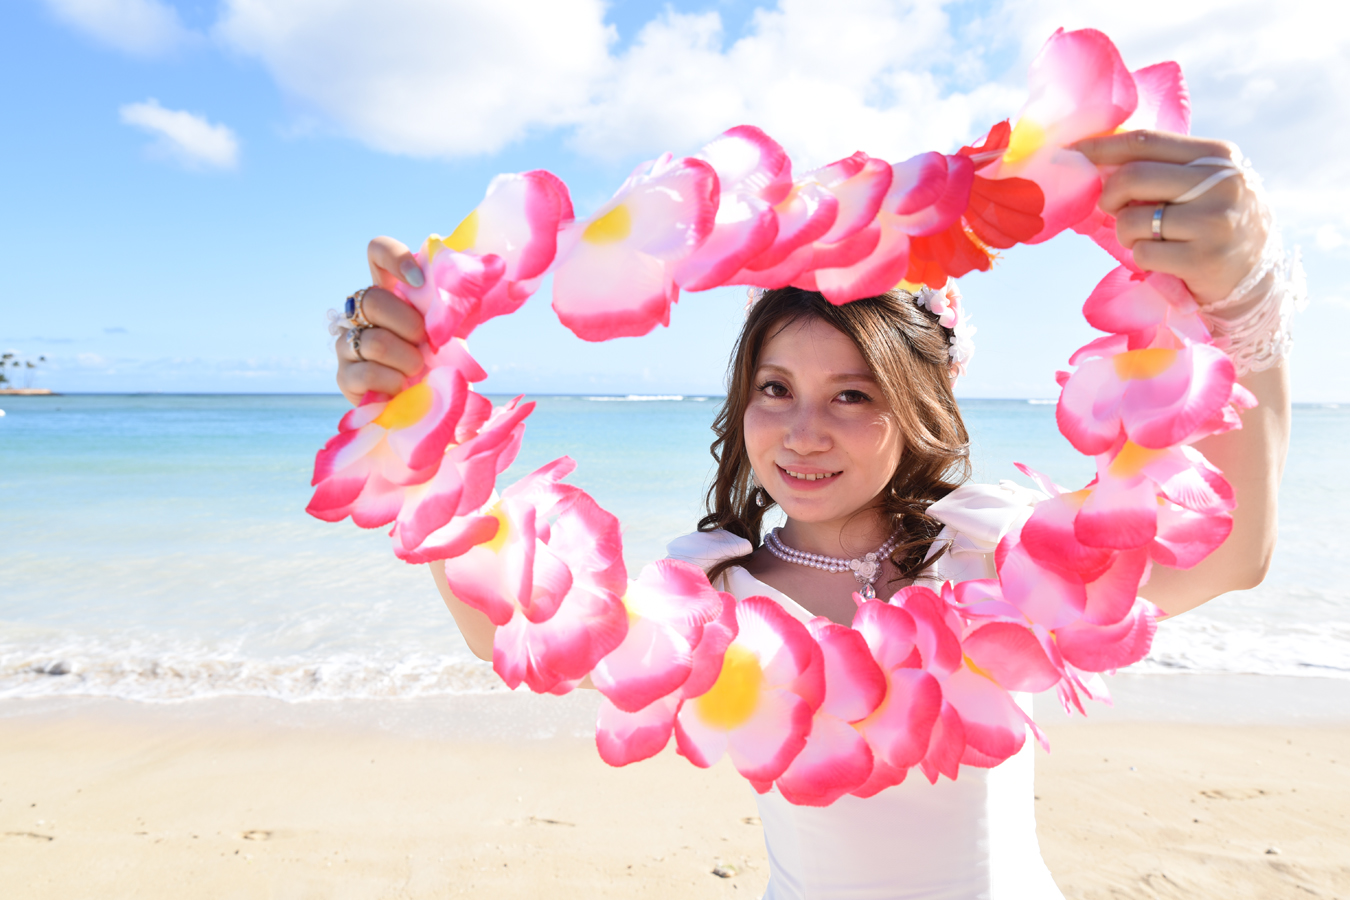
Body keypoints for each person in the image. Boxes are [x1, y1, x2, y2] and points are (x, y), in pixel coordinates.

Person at [332, 131, 1294, 898]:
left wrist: (1240, 296)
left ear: (919, 404)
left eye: (852, 396)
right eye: (775, 388)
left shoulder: (993, 551)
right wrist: (408, 410)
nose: (802, 434)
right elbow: (502, 622)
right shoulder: (710, 590)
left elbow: (1231, 555)